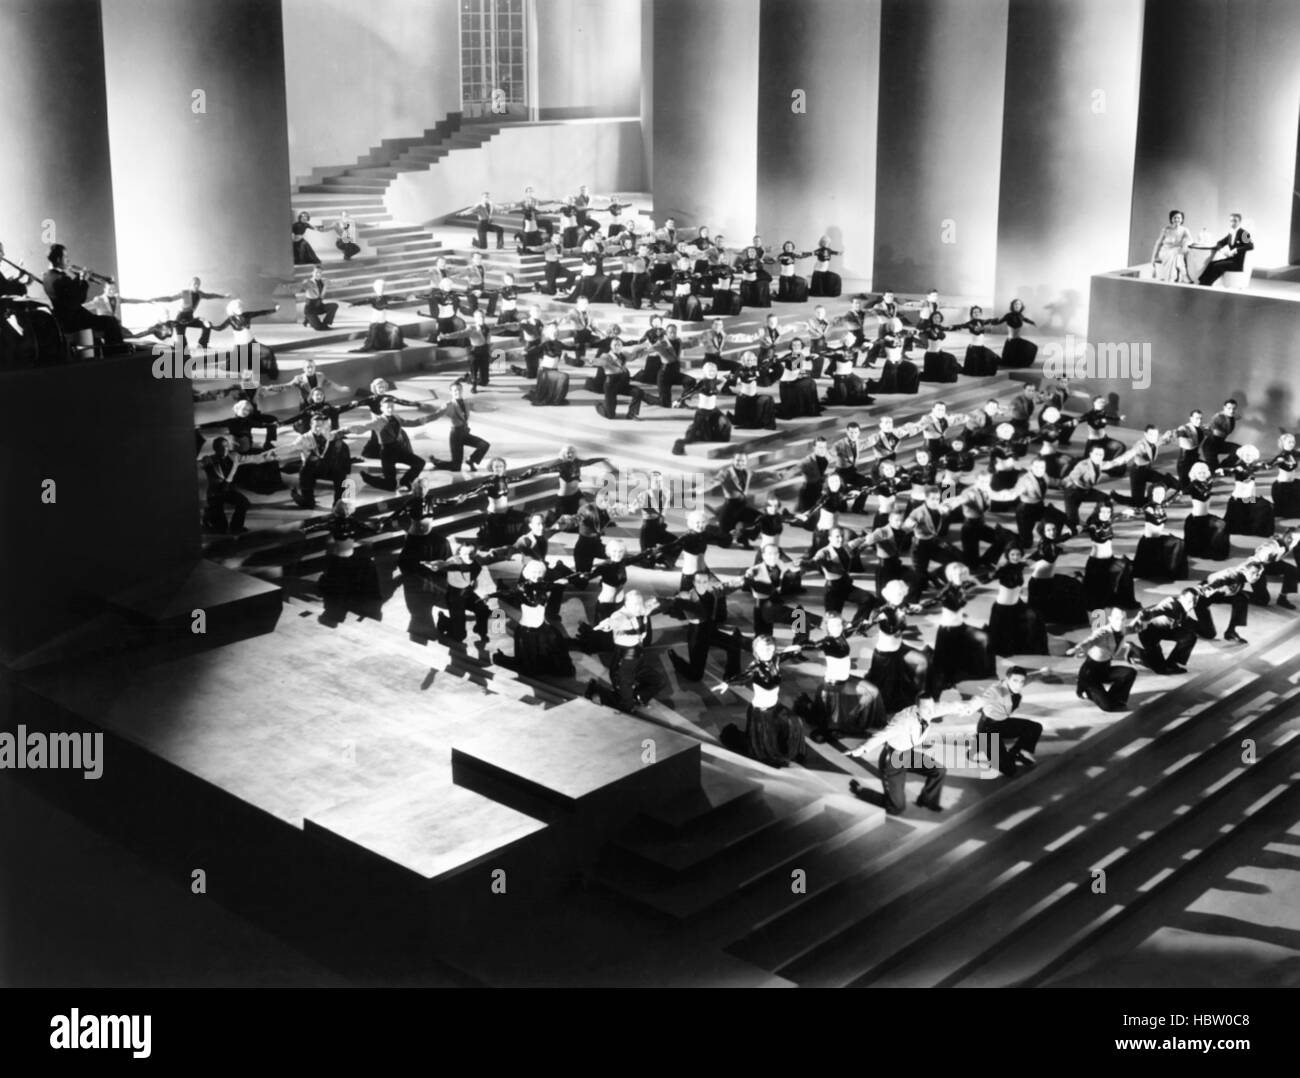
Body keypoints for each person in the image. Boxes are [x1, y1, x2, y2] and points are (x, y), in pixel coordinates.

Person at [711, 635, 807, 768]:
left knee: (795, 721)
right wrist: (727, 683)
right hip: (761, 712)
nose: (766, 651)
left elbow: (787, 653)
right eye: (762, 649)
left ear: (773, 649)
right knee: (766, 746)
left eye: (769, 648)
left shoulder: (776, 659)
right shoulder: (755, 667)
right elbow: (744, 676)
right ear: (756, 650)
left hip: (776, 707)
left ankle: (790, 750)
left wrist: (797, 647)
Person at [584, 591, 668, 714]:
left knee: (659, 681)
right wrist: (607, 624)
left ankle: (638, 697)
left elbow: (655, 606)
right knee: (626, 707)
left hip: (638, 662)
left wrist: (661, 602)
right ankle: (596, 691)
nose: (638, 607)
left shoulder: (641, 611)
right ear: (627, 604)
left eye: (639, 603)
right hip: (623, 666)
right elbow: (614, 621)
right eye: (635, 604)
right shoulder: (620, 615)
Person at [42, 244, 125, 349]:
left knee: (108, 322)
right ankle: (116, 352)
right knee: (111, 322)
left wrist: (79, 278)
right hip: (73, 319)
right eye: (65, 257)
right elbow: (79, 299)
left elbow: (67, 292)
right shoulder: (61, 278)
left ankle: (107, 350)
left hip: (64, 317)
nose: (68, 260)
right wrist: (84, 281)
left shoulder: (47, 277)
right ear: (58, 259)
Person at [348, 396, 429, 492]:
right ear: (382, 408)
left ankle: (405, 481)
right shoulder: (378, 421)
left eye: (392, 407)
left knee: (420, 463)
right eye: (388, 407)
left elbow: (413, 422)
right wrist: (345, 430)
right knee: (390, 485)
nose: (390, 409)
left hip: (398, 449)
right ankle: (367, 478)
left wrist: (433, 416)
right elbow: (363, 427)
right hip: (387, 453)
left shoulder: (396, 418)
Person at [1065, 606, 1138, 712]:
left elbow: (1135, 627)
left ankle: (1116, 698)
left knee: (1130, 673)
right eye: (1117, 618)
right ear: (1110, 619)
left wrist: (1143, 619)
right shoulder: (1104, 632)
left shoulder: (1123, 630)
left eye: (1123, 619)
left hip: (1105, 669)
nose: (1120, 622)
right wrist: (1078, 648)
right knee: (1108, 707)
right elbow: (1091, 640)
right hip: (1090, 675)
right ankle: (1084, 686)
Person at [973, 666, 1043, 774]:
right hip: (988, 729)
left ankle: (1015, 753)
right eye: (1015, 681)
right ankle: (981, 743)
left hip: (1003, 723)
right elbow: (983, 698)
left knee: (1035, 728)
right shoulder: (996, 690)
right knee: (1010, 770)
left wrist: (1042, 673)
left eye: (1022, 681)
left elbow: (1029, 678)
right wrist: (969, 706)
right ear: (1007, 679)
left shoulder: (1014, 685)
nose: (1019, 685)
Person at [290, 412, 352, 509]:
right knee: (305, 473)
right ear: (311, 425)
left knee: (340, 474)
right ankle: (305, 499)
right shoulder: (304, 438)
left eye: (323, 426)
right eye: (316, 426)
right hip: (311, 469)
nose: (320, 429)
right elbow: (290, 447)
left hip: (329, 469)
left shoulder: (335, 439)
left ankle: (338, 503)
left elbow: (346, 462)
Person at [1131, 589, 1200, 674]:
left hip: (1166, 628)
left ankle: (1172, 663)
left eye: (1195, 602)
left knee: (1190, 637)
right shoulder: (1170, 606)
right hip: (1150, 634)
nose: (1192, 605)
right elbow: (1146, 612)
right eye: (1189, 601)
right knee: (1161, 669)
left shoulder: (1183, 603)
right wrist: (1135, 623)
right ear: (1181, 597)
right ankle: (1134, 652)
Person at [430, 380, 491, 472]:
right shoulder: (448, 405)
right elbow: (436, 415)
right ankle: (437, 463)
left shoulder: (466, 402)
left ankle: (471, 460)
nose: (457, 392)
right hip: (456, 435)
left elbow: (476, 408)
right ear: (451, 392)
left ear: (462, 390)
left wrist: (491, 409)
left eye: (459, 389)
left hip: (465, 433)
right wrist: (419, 421)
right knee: (456, 467)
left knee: (484, 445)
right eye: (455, 390)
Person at [1182, 462, 1231, 560]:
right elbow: (1188, 491)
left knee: (1223, 524)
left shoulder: (1207, 483)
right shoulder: (1194, 485)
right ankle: (1211, 549)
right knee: (1220, 525)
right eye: (1199, 473)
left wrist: (1220, 472)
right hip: (1196, 519)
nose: (1202, 475)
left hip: (1206, 516)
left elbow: (1211, 480)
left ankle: (1215, 547)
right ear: (1195, 474)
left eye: (1204, 473)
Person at [1197, 212, 1254, 287]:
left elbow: (1250, 246)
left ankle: (1206, 284)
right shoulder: (1231, 233)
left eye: (1235, 221)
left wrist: (1235, 250)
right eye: (1231, 221)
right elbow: (1219, 243)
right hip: (1231, 260)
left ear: (1239, 222)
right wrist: (1223, 250)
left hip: (1237, 263)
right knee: (1212, 263)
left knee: (1217, 266)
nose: (1232, 223)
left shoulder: (1244, 233)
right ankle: (1202, 282)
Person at [1150, 209, 1192, 282]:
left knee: (1177, 252)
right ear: (1171, 219)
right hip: (1165, 252)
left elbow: (1190, 240)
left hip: (1177, 252)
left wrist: (1185, 244)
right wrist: (1153, 257)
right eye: (1174, 217)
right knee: (1175, 252)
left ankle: (1172, 278)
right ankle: (1182, 274)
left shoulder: (1185, 230)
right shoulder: (1166, 229)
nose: (1177, 220)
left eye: (1179, 218)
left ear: (1182, 219)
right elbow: (1158, 243)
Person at [996, 299, 1037, 368]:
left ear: (1021, 306)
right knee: (1008, 362)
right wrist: (991, 321)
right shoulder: (1008, 315)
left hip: (1018, 340)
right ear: (1012, 305)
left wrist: (1032, 322)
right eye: (1015, 304)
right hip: (1011, 341)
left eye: (1019, 304)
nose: (1017, 305)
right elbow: (999, 321)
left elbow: (1025, 319)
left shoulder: (1021, 315)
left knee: (1033, 347)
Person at [300, 267, 338, 331]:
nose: (318, 274)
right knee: (319, 328)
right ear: (312, 273)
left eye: (320, 272)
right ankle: (308, 318)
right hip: (310, 309)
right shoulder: (308, 282)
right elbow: (302, 286)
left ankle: (325, 323)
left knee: (334, 306)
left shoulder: (324, 281)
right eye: (316, 272)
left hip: (319, 306)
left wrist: (345, 282)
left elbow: (333, 283)